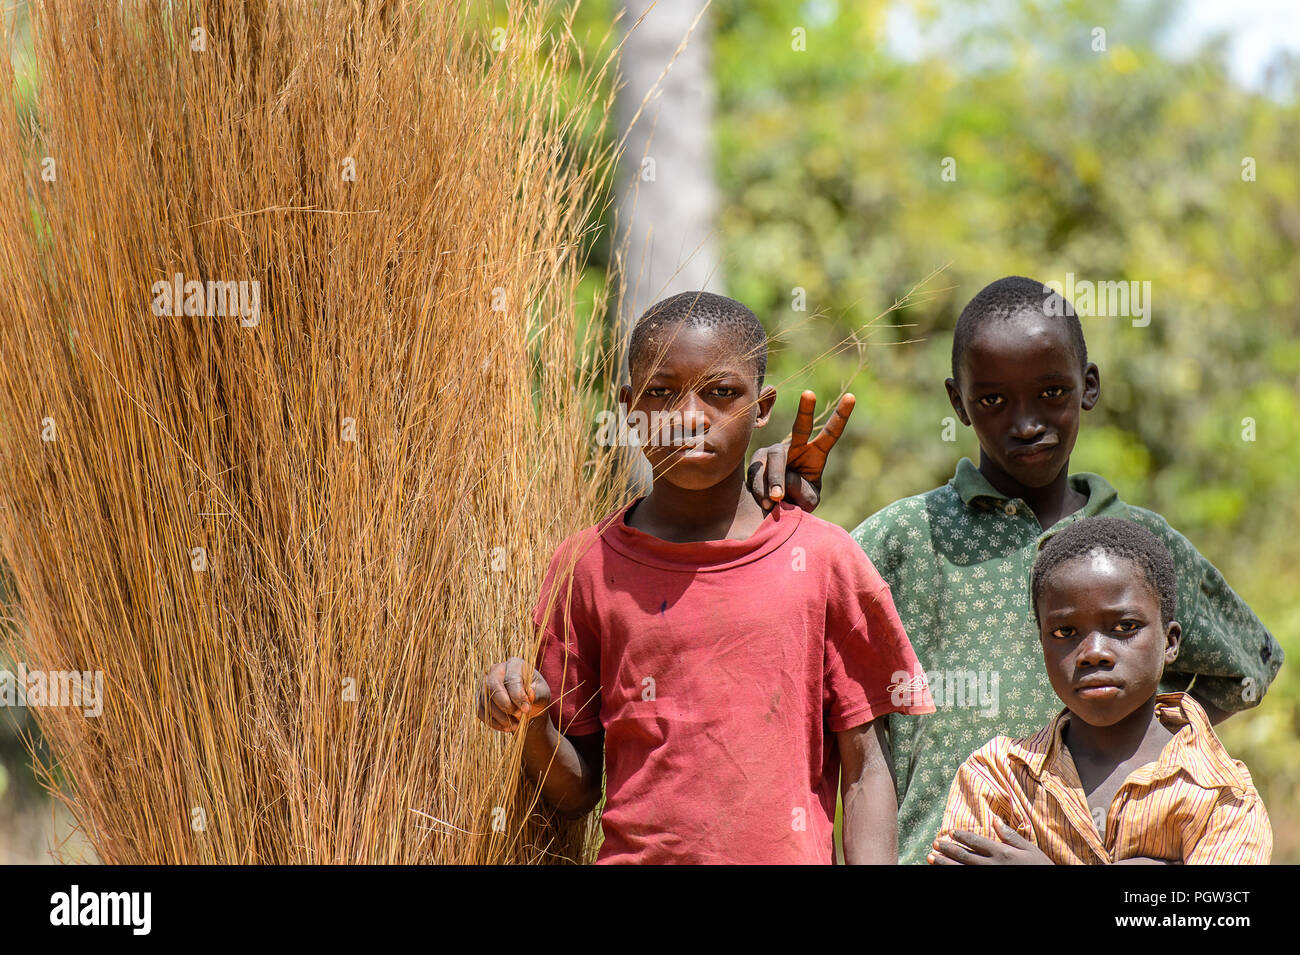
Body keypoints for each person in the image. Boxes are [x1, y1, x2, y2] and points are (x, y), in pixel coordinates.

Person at [747, 275, 1283, 864]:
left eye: (1051, 392)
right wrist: (766, 512)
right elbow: (782, 667)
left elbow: (1245, 666)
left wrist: (1146, 775)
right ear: (958, 402)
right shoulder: (903, 539)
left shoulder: (1140, 543)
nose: (1026, 424)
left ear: (1089, 386)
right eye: (994, 401)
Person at [476, 290, 934, 864]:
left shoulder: (823, 560)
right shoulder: (587, 566)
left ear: (761, 407)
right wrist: (534, 721)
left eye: (721, 394)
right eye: (661, 393)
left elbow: (866, 771)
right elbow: (575, 794)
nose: (690, 417)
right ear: (628, 408)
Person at [928, 517, 1271, 865]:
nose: (1093, 652)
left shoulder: (1222, 795)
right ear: (1042, 643)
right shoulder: (997, 777)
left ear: (1169, 643)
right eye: (1065, 632)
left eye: (1125, 627)